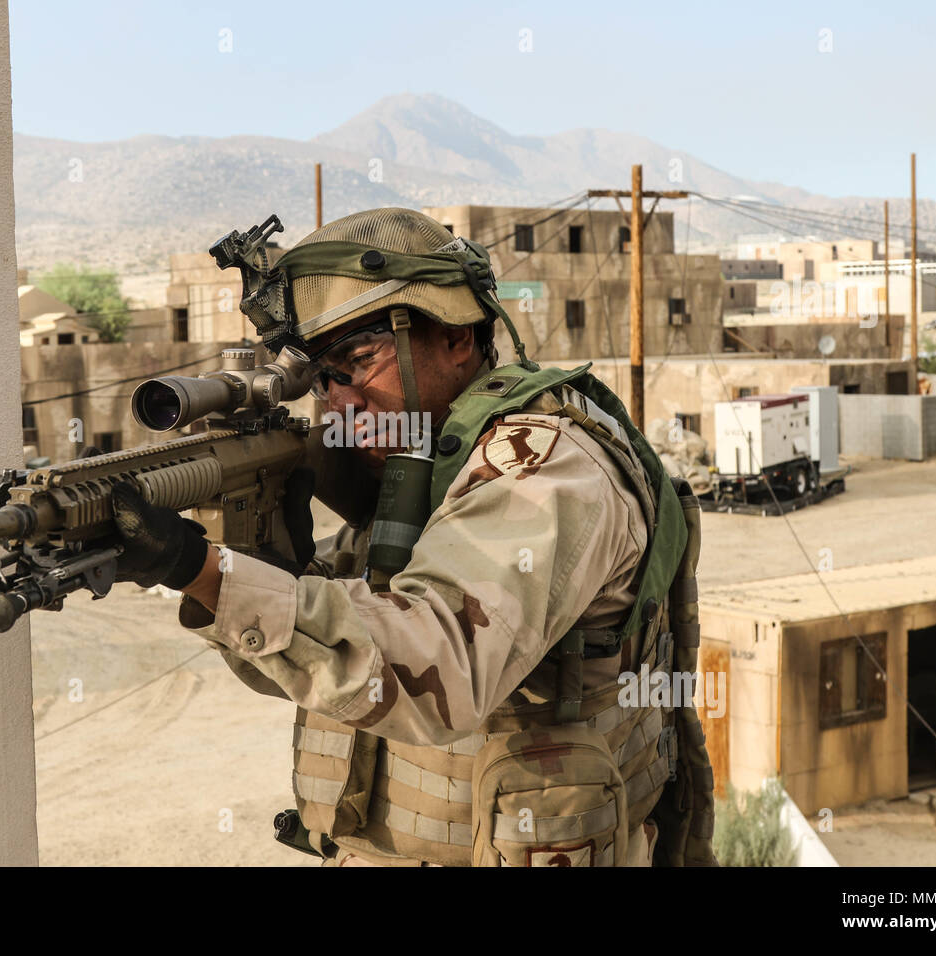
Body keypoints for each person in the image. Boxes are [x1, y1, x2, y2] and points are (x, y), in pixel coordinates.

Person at [109, 207, 716, 867]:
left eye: (356, 363)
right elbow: (326, 668)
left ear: (455, 337)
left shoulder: (546, 465)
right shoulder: (423, 459)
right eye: (321, 381)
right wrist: (263, 565)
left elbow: (437, 667)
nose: (340, 405)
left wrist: (200, 569)